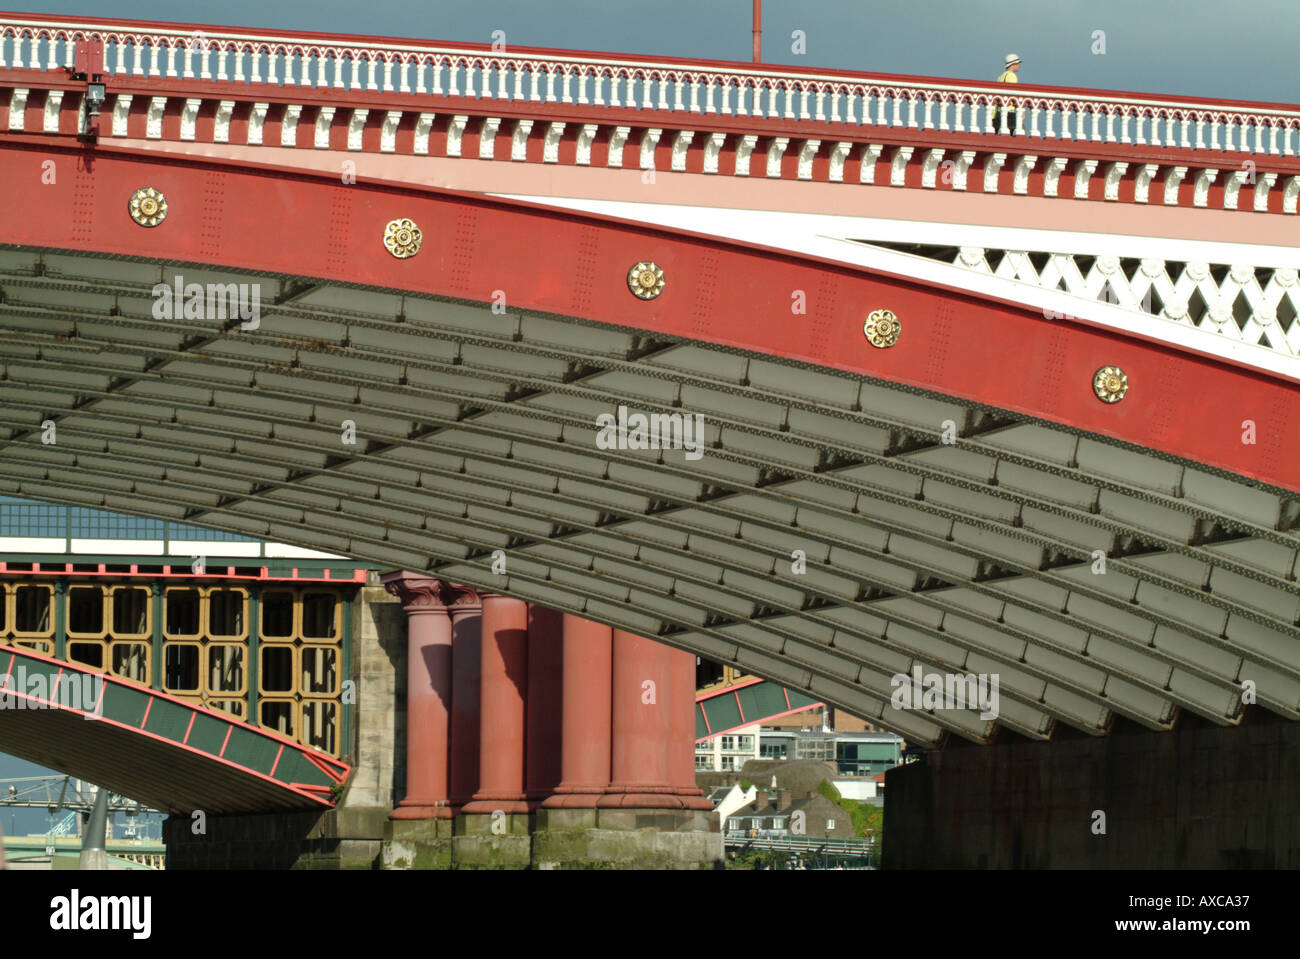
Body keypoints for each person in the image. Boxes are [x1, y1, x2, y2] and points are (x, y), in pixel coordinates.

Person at [993, 53, 1021, 134]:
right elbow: (1013, 94)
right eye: (1018, 63)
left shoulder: (1000, 77)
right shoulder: (1012, 76)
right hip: (1009, 111)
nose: (1019, 65)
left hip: (998, 112)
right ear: (1013, 64)